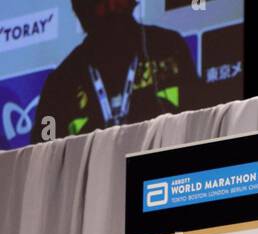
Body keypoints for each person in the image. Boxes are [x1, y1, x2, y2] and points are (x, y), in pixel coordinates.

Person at [35, 0, 202, 139]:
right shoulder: (60, 83)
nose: (110, 6)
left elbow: (198, 116)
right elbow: (44, 149)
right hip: (94, 177)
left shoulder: (167, 46)